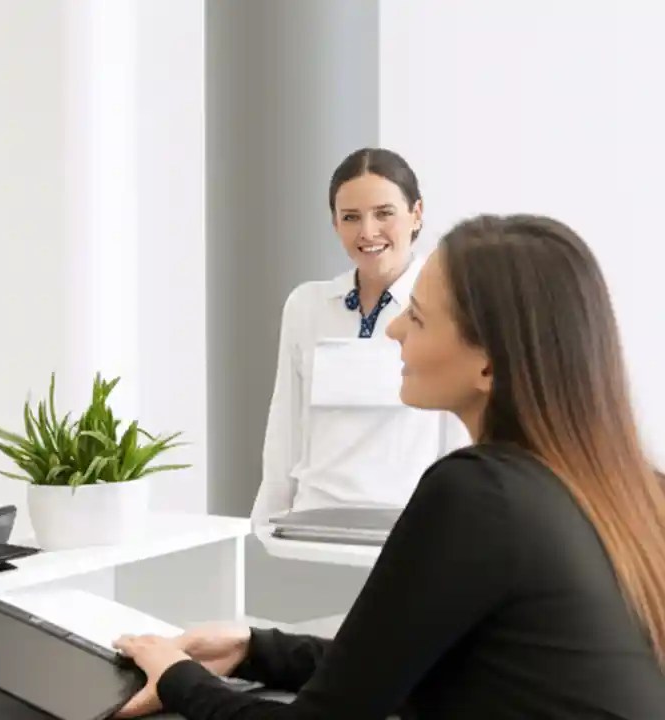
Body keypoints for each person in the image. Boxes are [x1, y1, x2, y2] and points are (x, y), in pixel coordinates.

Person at [115, 214, 665, 718]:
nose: (395, 329)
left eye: (419, 318)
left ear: (489, 365)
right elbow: (430, 661)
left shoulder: (479, 495)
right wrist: (257, 649)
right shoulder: (638, 494)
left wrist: (178, 680)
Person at [252, 148, 469, 526]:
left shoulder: (451, 305)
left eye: (384, 213)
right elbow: (284, 431)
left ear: (416, 215)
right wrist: (263, 532)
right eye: (351, 217)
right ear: (335, 224)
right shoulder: (307, 305)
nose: (367, 232)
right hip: (310, 523)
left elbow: (458, 442)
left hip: (407, 529)